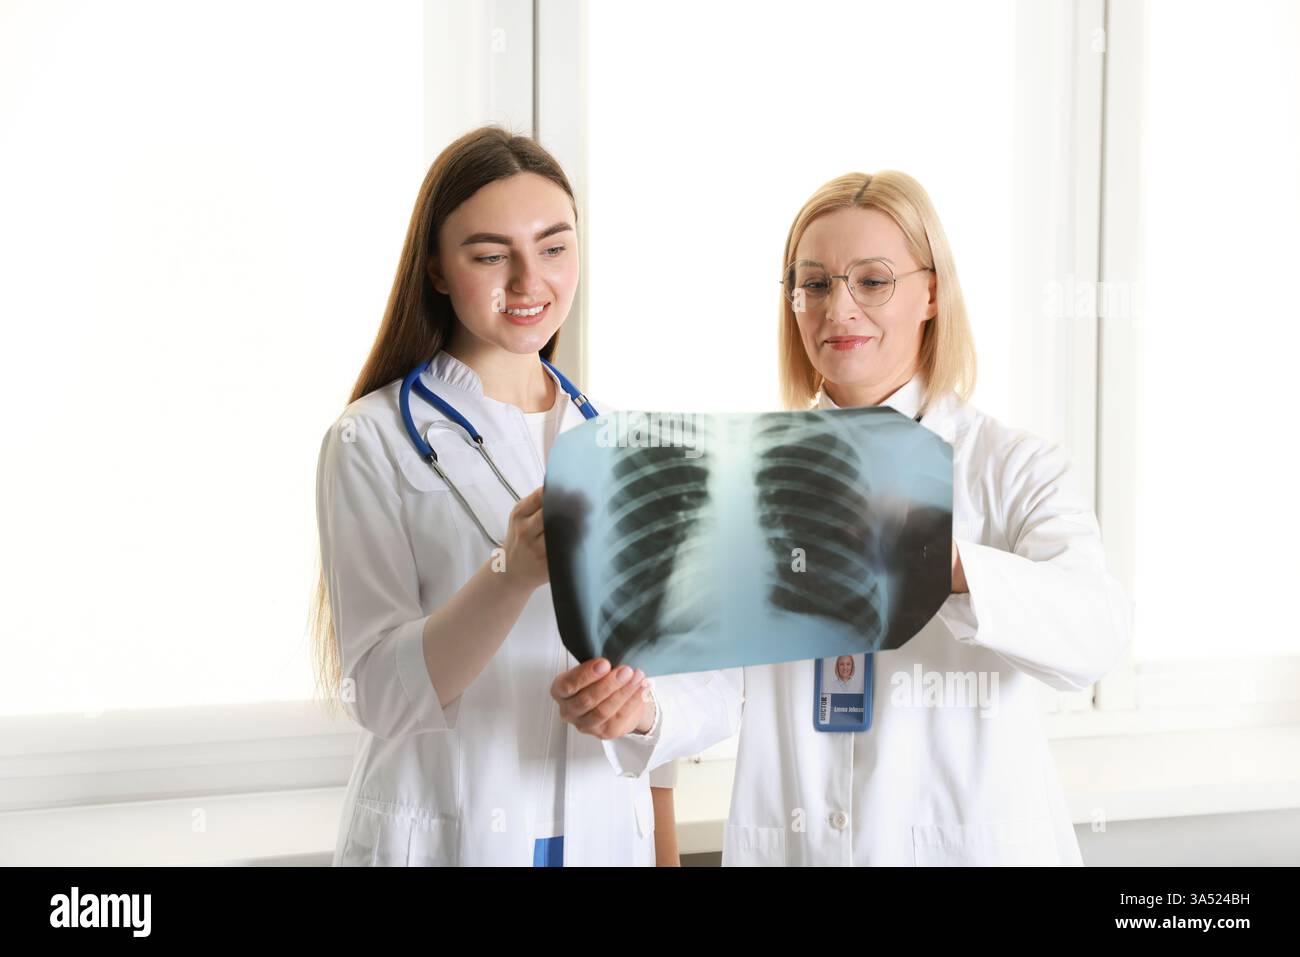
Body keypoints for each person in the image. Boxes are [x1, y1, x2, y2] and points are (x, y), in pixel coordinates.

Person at [311, 126, 740, 866]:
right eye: (488, 254)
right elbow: (377, 690)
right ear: (438, 270)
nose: (529, 281)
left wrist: (642, 712)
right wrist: (509, 573)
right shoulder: (370, 439)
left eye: (554, 246)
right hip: (450, 832)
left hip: (605, 833)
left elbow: (714, 680)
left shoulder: (625, 447)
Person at [722, 170, 1132, 866]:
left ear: (933, 291)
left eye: (872, 280)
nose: (839, 307)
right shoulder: (750, 476)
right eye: (815, 283)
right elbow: (711, 677)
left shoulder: (1010, 469)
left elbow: (1096, 633)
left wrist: (946, 564)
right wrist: (642, 713)